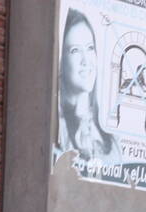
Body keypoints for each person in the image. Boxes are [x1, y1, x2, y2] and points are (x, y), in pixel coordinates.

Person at [54, 9, 119, 168]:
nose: (86, 60)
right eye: (75, 50)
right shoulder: (56, 129)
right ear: (62, 62)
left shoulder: (110, 133)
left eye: (90, 48)